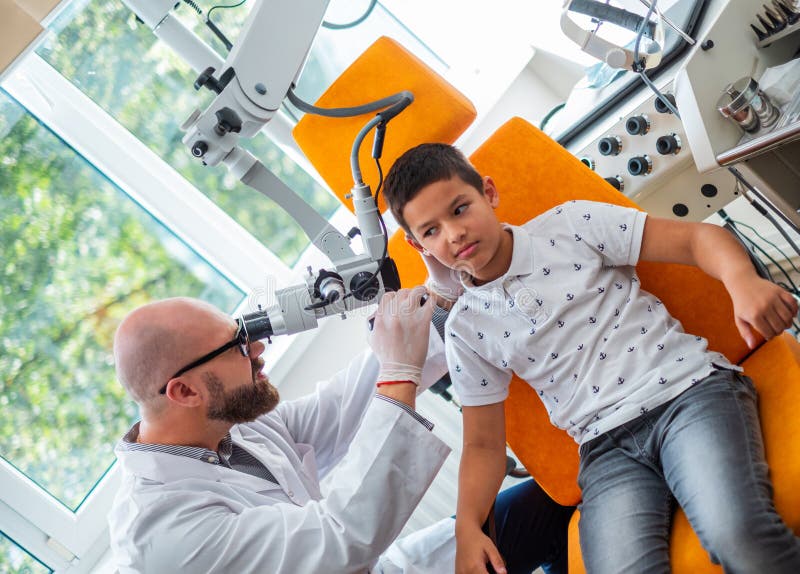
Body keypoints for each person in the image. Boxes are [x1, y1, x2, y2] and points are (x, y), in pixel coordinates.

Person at [382, 143, 800, 574]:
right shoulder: (465, 328)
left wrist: (742, 281)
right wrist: (468, 527)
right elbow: (483, 445)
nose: (453, 234)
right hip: (607, 452)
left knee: (737, 534)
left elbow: (696, 239)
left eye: (459, 209)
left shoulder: (569, 226)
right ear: (418, 245)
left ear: (488, 193)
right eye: (431, 231)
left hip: (685, 395)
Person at [108, 290, 574, 573]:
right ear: (185, 391)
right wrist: (398, 373)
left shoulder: (225, 431)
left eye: (244, 331)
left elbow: (342, 406)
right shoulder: (164, 534)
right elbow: (341, 538)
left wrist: (436, 303)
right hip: (350, 559)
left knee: (555, 503)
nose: (257, 347)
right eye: (235, 346)